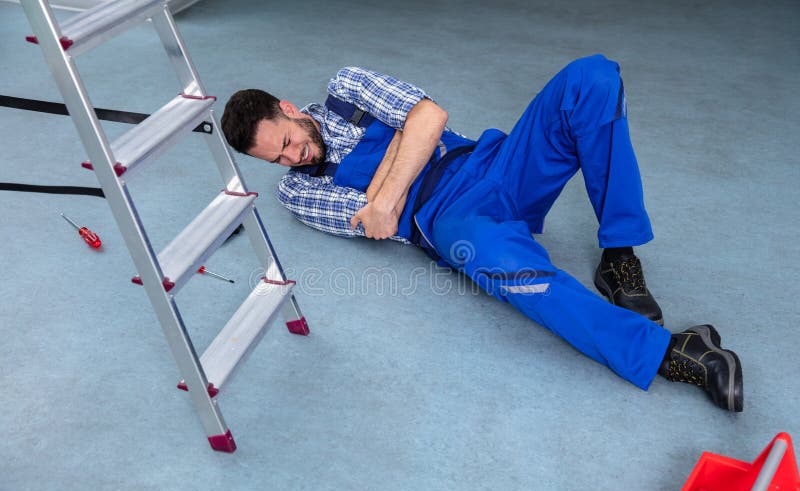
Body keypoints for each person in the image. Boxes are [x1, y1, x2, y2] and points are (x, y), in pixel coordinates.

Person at [221, 55, 744, 412]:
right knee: (507, 268)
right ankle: (671, 353)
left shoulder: (345, 86)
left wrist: (397, 164)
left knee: (592, 78)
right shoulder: (297, 192)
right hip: (452, 223)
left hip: (494, 161)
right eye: (279, 159)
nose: (295, 159)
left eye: (288, 141)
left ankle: (619, 254)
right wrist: (407, 137)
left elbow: (433, 117)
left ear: (289, 108)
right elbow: (378, 218)